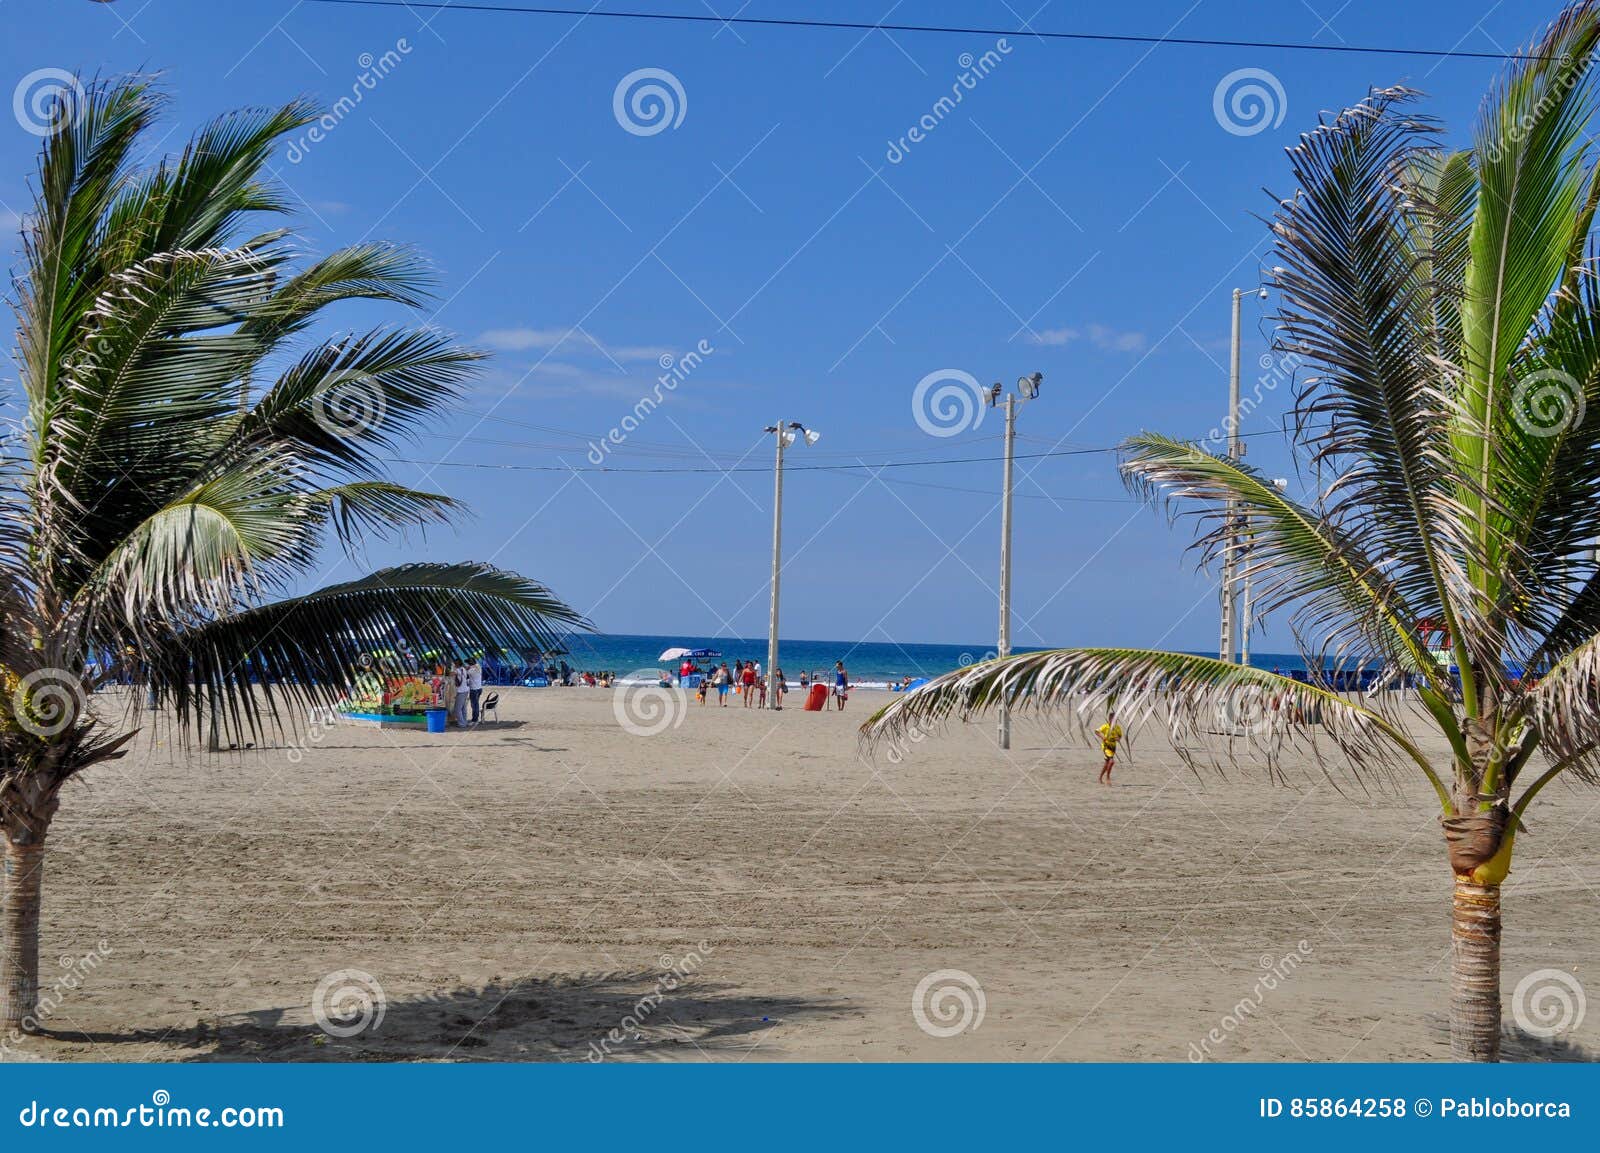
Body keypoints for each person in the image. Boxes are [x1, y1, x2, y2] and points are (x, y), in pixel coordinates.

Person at [1097, 713, 1124, 784]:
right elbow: (1097, 731)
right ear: (1110, 719)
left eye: (1116, 720)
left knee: (1107, 763)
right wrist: (1102, 737)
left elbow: (1120, 736)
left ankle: (1100, 777)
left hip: (1113, 747)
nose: (1115, 721)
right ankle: (1108, 778)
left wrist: (1118, 739)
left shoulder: (1117, 727)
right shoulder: (1105, 726)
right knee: (1111, 762)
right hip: (1106, 746)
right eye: (1113, 719)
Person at [467, 655, 484, 724]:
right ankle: (475, 718)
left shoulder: (471, 670)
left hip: (474, 689)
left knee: (474, 705)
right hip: (479, 688)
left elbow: (466, 675)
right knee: (476, 704)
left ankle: (475, 720)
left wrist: (467, 668)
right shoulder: (478, 667)